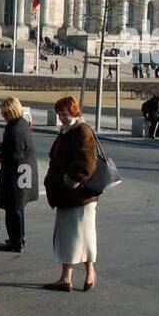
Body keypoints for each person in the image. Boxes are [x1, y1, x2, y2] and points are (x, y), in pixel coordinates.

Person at [43, 96, 98, 292]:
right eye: (59, 114)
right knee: (70, 237)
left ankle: (88, 273)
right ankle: (66, 277)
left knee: (83, 236)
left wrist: (71, 180)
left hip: (80, 196)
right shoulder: (67, 131)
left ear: (74, 112)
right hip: (67, 196)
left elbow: (86, 162)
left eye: (64, 114)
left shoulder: (81, 131)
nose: (61, 118)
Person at [0, 97, 38, 252]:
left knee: (13, 208)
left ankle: (16, 242)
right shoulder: (20, 123)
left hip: (18, 174)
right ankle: (19, 238)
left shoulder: (15, 129)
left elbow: (15, 155)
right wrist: (0, 146)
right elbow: (15, 147)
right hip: (25, 172)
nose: (3, 115)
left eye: (5, 112)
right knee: (18, 208)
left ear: (11, 111)